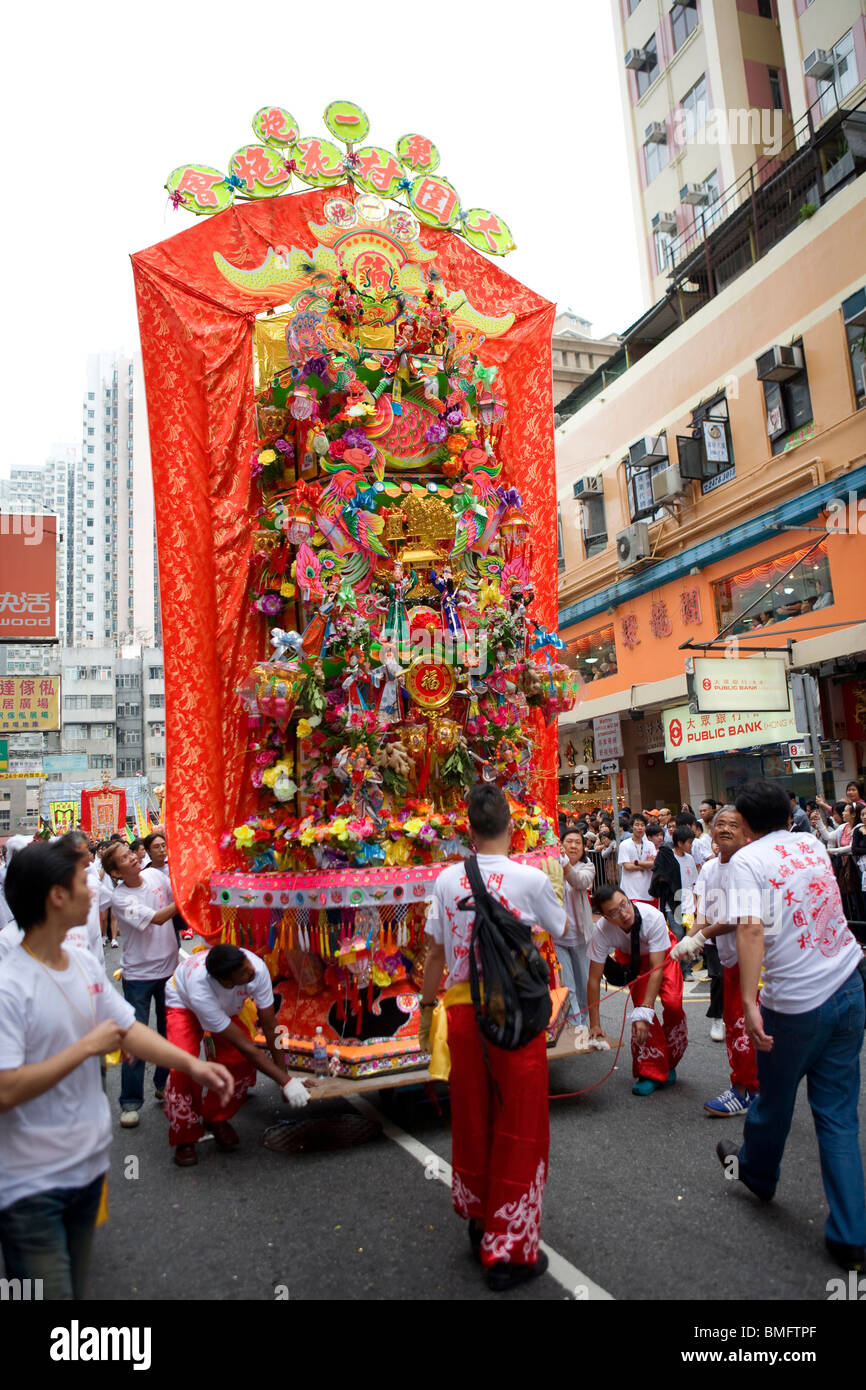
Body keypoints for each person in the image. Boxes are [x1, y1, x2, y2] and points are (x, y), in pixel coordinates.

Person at [0, 839, 232, 1299]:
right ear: (56, 897)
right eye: (81, 879)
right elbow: (6, 1090)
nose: (93, 888)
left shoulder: (84, 962)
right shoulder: (9, 985)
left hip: (86, 1172)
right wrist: (88, 1046)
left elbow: (128, 1029)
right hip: (30, 1188)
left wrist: (193, 1065)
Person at [420, 782, 565, 1291]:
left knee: (474, 1116)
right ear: (512, 825)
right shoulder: (529, 879)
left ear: (469, 829)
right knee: (520, 1124)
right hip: (517, 1019)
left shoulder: (445, 880)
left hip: (461, 1016)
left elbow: (434, 953)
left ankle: (479, 1218)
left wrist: (424, 1009)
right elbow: (561, 929)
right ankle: (508, 1251)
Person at [715, 781, 865, 1271]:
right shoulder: (809, 842)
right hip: (847, 982)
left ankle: (757, 1173)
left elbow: (752, 928)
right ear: (788, 812)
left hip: (796, 1005)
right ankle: (850, 1237)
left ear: (749, 825)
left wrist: (748, 1002)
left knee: (774, 1100)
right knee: (838, 1116)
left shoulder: (747, 862)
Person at [164, 943, 289, 1167]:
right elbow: (247, 1048)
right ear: (228, 982)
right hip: (183, 1002)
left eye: (247, 964)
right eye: (243, 973)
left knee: (239, 1063)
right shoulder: (200, 989)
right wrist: (286, 1082)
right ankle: (185, 1136)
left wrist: (284, 1076)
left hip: (228, 1006)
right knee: (183, 1067)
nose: (250, 970)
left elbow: (272, 1026)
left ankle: (215, 1117)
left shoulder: (255, 969)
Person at [674, 807, 759, 1115]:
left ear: (745, 831)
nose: (724, 829)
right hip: (728, 958)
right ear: (709, 831)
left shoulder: (748, 864)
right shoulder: (709, 868)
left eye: (732, 825)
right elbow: (705, 913)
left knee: (744, 1023)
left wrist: (701, 935)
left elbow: (739, 916)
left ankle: (746, 1089)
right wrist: (690, 937)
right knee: (735, 1022)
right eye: (719, 824)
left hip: (756, 962)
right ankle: (751, 1087)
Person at [102, 841, 179, 1128]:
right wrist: (185, 898)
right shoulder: (120, 899)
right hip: (138, 976)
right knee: (135, 1038)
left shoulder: (157, 876)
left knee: (168, 1031)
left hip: (170, 968)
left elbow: (174, 895)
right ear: (115, 872)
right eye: (124, 858)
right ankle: (130, 1102)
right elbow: (159, 918)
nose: (132, 857)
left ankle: (163, 1083)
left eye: (130, 852)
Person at [587, 884, 687, 1096]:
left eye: (624, 904)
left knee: (673, 1005)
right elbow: (594, 979)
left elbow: (656, 969)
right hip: (634, 961)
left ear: (628, 898)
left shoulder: (653, 917)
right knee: (641, 1020)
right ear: (604, 917)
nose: (623, 914)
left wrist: (647, 1008)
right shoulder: (601, 931)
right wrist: (595, 1023)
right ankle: (650, 1071)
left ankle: (669, 1062)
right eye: (614, 912)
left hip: (662, 956)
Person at [556, 829, 595, 1026]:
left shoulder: (588, 867)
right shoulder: (553, 867)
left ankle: (583, 1017)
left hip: (581, 937)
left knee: (584, 984)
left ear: (583, 847)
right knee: (568, 984)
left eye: (577, 842)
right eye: (569, 842)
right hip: (558, 937)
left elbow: (580, 882)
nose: (573, 846)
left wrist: (564, 866)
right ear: (561, 845)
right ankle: (576, 1024)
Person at [617, 812, 657, 904]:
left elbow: (654, 864)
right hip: (630, 891)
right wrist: (646, 864)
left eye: (642, 825)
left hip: (647, 891)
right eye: (637, 825)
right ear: (632, 827)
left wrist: (636, 862)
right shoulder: (624, 844)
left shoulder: (650, 845)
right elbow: (627, 866)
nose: (640, 828)